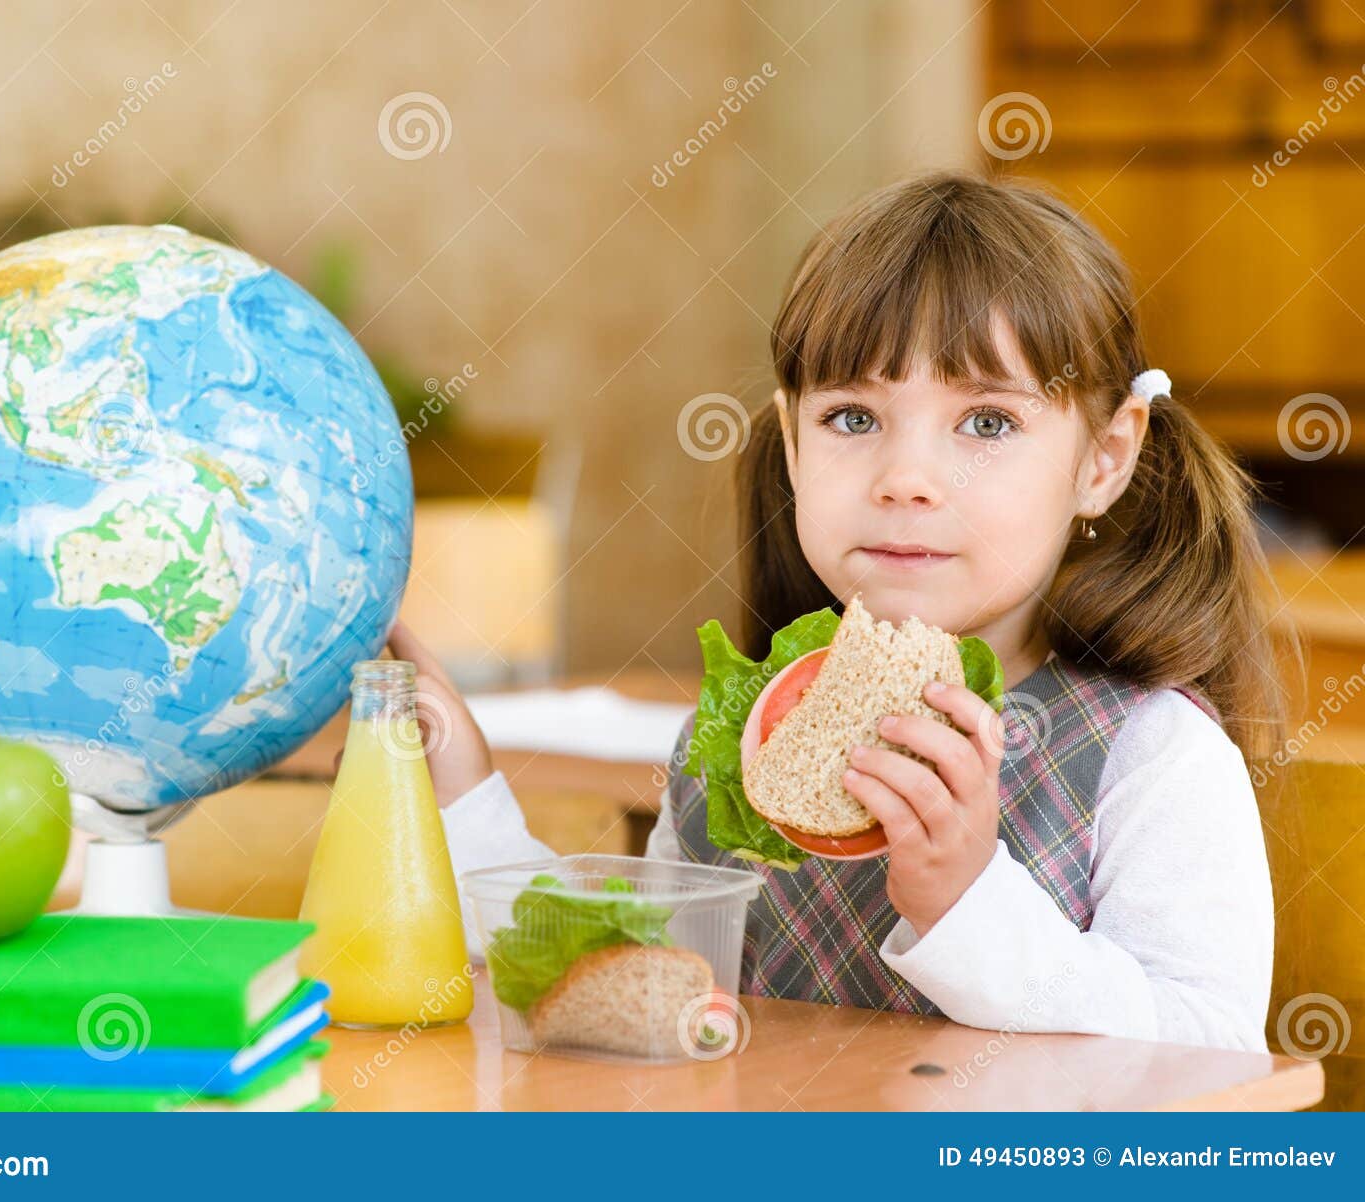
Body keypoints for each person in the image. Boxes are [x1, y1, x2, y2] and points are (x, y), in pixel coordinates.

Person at [386, 170, 1295, 1054]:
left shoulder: (1152, 757)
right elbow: (638, 987)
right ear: (790, 442)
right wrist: (463, 795)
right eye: (853, 419)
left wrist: (967, 902)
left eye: (986, 423)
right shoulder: (736, 740)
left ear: (1102, 458)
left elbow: (1209, 1056)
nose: (905, 479)